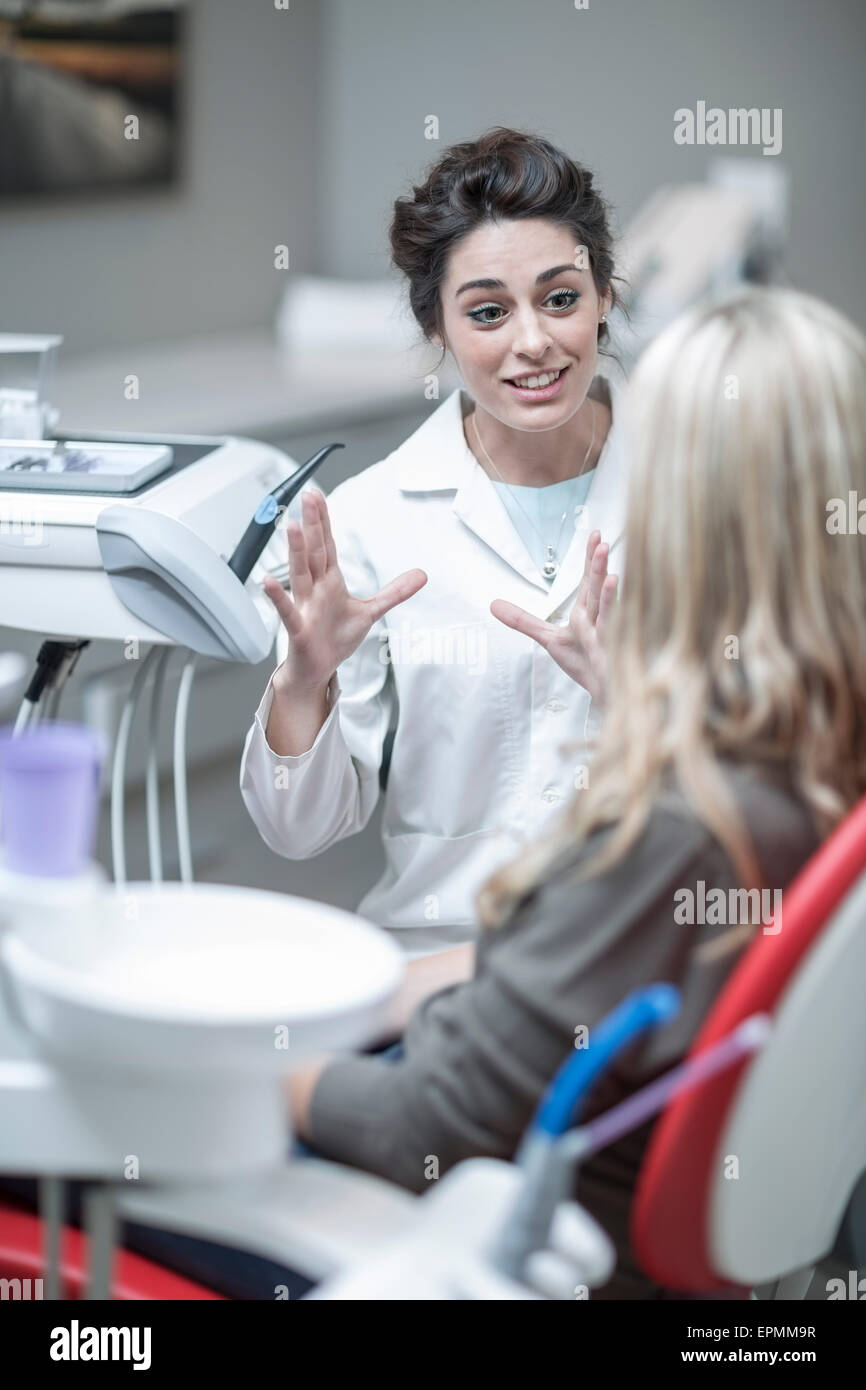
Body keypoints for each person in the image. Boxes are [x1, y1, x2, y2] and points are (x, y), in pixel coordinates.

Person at [286, 285, 866, 1299]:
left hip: (538, 1237)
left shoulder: (682, 820)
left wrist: (222, 1069)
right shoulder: (813, 754)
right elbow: (636, 964)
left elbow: (421, 1126)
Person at [240, 128, 628, 958]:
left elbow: (766, 782)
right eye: (488, 312)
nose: (533, 342)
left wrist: (639, 703)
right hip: (445, 965)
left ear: (604, 295)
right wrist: (303, 685)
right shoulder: (374, 520)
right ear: (439, 328)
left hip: (635, 961)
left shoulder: (697, 488)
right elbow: (298, 831)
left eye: (560, 298)